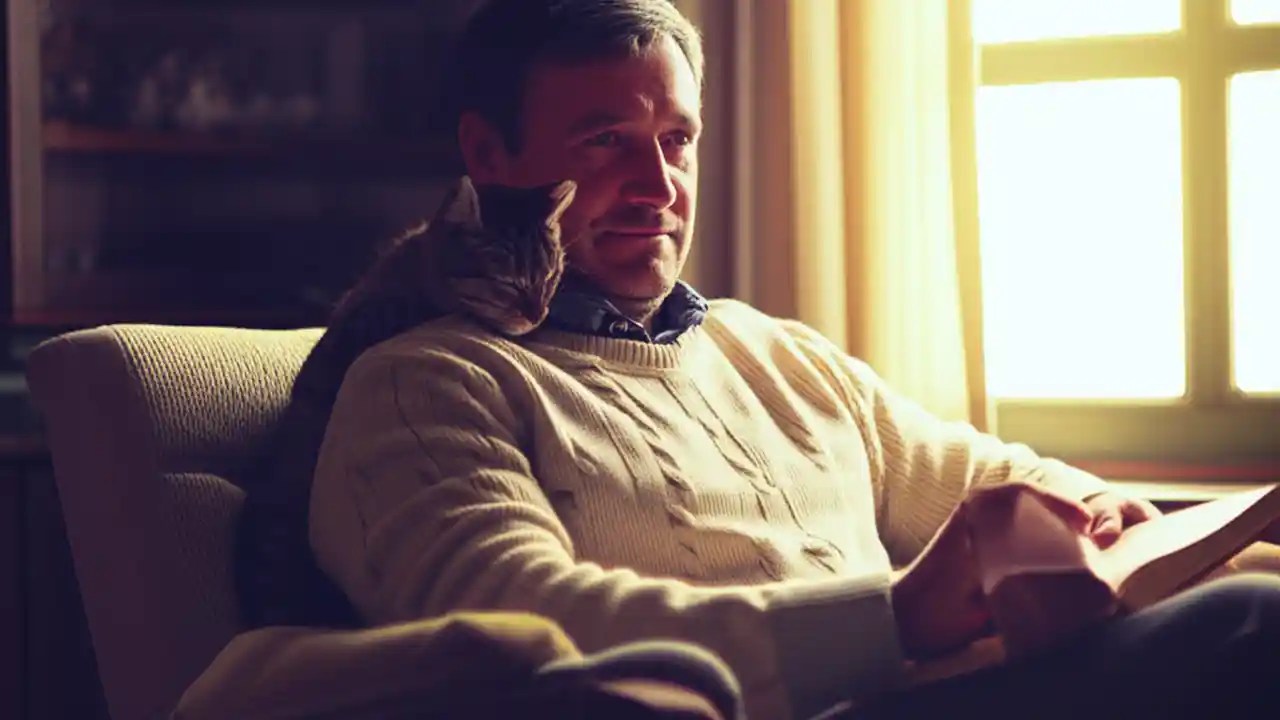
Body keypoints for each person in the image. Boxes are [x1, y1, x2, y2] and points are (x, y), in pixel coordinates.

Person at [308, 1, 1280, 718]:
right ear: (489, 155)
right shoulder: (425, 385)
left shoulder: (774, 353)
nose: (659, 185)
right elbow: (521, 630)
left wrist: (1093, 508)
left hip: (949, 692)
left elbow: (983, 477)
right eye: (605, 142)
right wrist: (894, 619)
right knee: (1247, 629)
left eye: (677, 140)